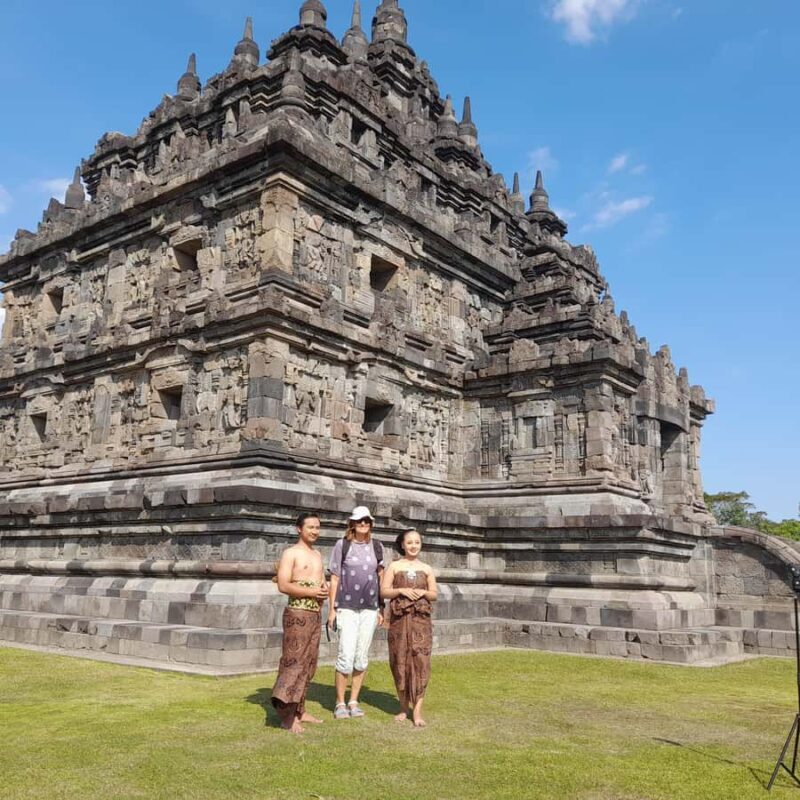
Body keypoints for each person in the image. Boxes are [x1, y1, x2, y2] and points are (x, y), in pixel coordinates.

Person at [271, 512, 329, 734]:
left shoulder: (317, 555)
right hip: (297, 613)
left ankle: (300, 709)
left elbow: (321, 582)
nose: (314, 531)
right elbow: (284, 585)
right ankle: (286, 715)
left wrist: (322, 591)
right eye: (310, 527)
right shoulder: (291, 553)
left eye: (317, 527)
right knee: (293, 662)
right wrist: (311, 591)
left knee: (309, 663)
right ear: (299, 529)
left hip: (314, 614)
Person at [327, 506, 385, 719]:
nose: (363, 524)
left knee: (361, 657)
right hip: (346, 607)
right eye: (360, 520)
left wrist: (381, 607)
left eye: (367, 521)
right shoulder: (342, 545)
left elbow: (381, 578)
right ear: (352, 523)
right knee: (345, 655)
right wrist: (331, 609)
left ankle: (354, 700)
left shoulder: (377, 547)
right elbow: (334, 577)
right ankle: (340, 702)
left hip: (370, 607)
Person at [381, 528, 438, 728]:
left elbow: (434, 594)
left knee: (421, 662)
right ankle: (403, 708)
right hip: (399, 622)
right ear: (402, 544)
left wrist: (421, 592)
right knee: (400, 662)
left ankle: (418, 712)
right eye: (410, 542)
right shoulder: (395, 566)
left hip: (421, 623)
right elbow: (384, 591)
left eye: (417, 542)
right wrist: (401, 590)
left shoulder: (427, 568)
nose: (414, 546)